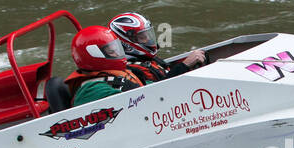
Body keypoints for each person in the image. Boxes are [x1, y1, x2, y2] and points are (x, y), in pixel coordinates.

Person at [66, 20, 205, 107]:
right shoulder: (91, 89)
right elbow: (143, 102)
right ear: (94, 54)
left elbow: (154, 89)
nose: (118, 53)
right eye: (112, 50)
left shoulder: (124, 73)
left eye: (117, 48)